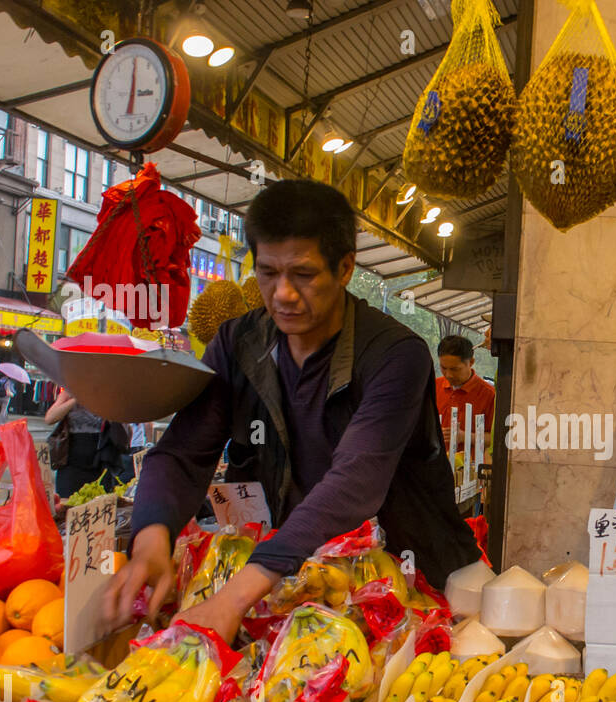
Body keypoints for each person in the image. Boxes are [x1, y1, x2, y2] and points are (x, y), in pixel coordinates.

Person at [103, 178, 481, 643]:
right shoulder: (237, 343)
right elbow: (184, 451)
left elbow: (354, 481)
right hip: (297, 587)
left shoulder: (395, 354)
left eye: (303, 274)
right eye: (268, 273)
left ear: (344, 268)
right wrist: (150, 538)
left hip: (404, 589)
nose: (282, 293)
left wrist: (235, 596)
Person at [44, 387, 129, 497]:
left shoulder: (108, 394)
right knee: (68, 504)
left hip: (100, 459)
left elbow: (122, 424)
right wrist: (76, 399)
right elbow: (49, 418)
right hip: (72, 460)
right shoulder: (69, 392)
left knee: (98, 503)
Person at [436, 334, 495, 450]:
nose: (449, 375)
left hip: (470, 466)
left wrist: (466, 437)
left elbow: (495, 439)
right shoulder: (433, 387)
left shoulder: (489, 395)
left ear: (471, 362)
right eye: (443, 368)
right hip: (434, 464)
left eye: (455, 369)